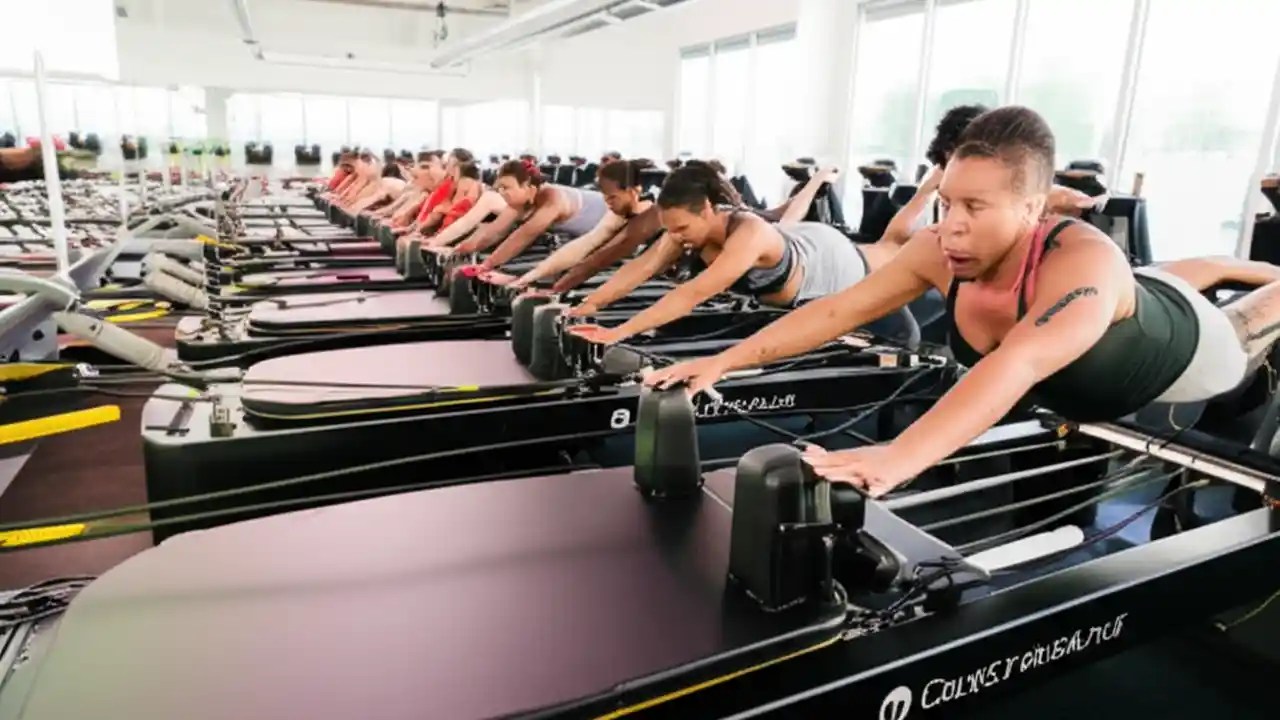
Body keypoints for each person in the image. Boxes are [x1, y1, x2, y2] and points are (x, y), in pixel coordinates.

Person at [644, 105, 1280, 497]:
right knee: (1164, 275)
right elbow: (837, 311)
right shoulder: (937, 249)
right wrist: (725, 362)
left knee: (1242, 315)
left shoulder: (1083, 260)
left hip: (1195, 352)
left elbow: (1019, 364)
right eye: (948, 201)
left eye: (975, 207)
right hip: (1131, 299)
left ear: (1032, 207)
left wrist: (901, 456)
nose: (951, 223)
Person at [566, 162, 908, 346]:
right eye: (670, 228)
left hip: (831, 268)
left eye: (681, 227)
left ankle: (930, 189)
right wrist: (587, 305)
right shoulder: (687, 231)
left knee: (892, 250)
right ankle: (819, 179)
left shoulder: (748, 234)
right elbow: (640, 268)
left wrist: (617, 333)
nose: (674, 236)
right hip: (795, 239)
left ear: (706, 210)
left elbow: (691, 295)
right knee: (791, 223)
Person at [496, 158, 665, 291]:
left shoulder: (654, 216)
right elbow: (584, 245)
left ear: (634, 191)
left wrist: (559, 288)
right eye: (605, 198)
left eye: (613, 197)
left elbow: (602, 258)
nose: (609, 204)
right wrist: (531, 276)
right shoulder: (618, 214)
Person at [437, 159, 609, 271]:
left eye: (507, 187)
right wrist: (462, 247)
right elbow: (494, 231)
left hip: (612, 217)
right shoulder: (521, 201)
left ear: (528, 187)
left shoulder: (553, 199)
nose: (502, 193)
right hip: (588, 234)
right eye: (500, 188)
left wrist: (487, 265)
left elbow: (523, 236)